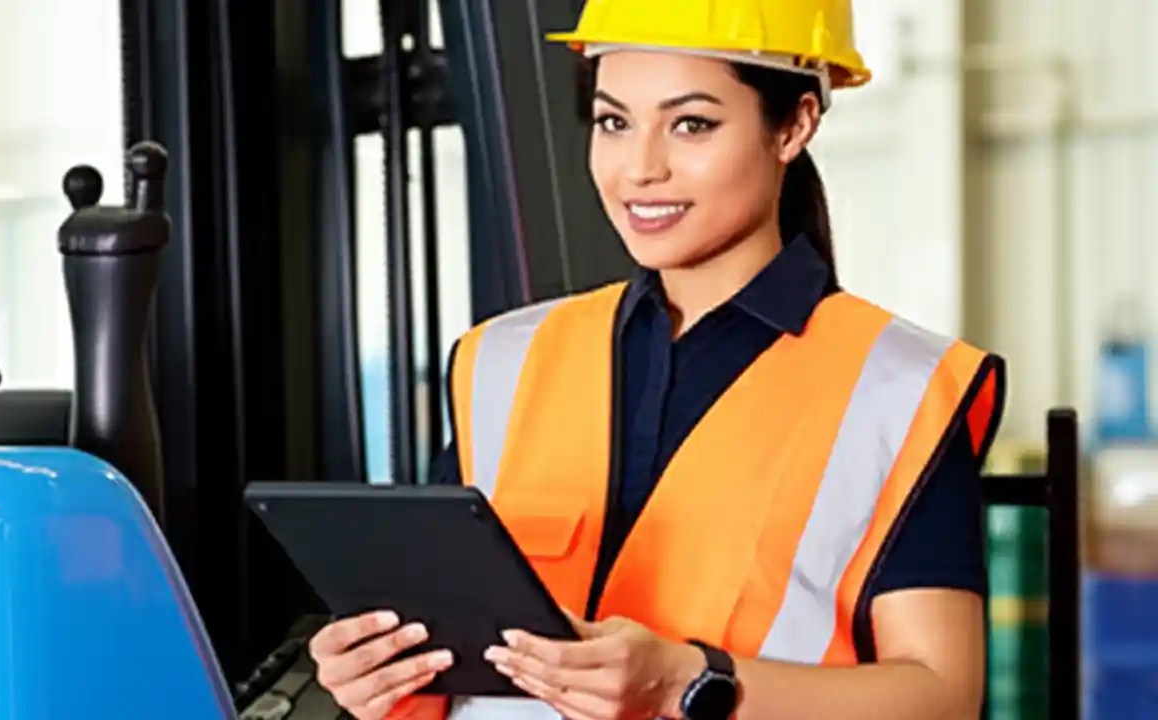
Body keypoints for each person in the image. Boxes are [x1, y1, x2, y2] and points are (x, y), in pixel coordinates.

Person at [308, 0, 1006, 718]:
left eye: (691, 124)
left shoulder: (899, 386)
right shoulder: (501, 364)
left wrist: (686, 681)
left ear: (794, 125)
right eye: (614, 122)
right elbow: (453, 662)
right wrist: (383, 678)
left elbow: (941, 696)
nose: (640, 168)